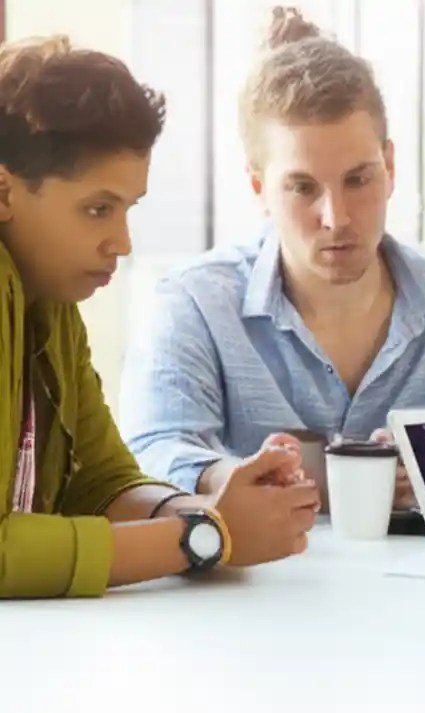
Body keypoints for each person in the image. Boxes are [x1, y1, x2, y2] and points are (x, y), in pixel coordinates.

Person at [119, 7, 425, 508]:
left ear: (391, 165)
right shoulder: (196, 301)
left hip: (419, 585)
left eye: (358, 179)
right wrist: (241, 477)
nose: (336, 217)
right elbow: (151, 451)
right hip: (259, 583)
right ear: (259, 188)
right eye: (302, 187)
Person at [0, 35, 319, 598]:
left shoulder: (47, 293)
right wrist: (205, 538)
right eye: (97, 209)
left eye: (127, 209)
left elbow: (100, 485)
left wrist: (214, 509)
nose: (120, 243)